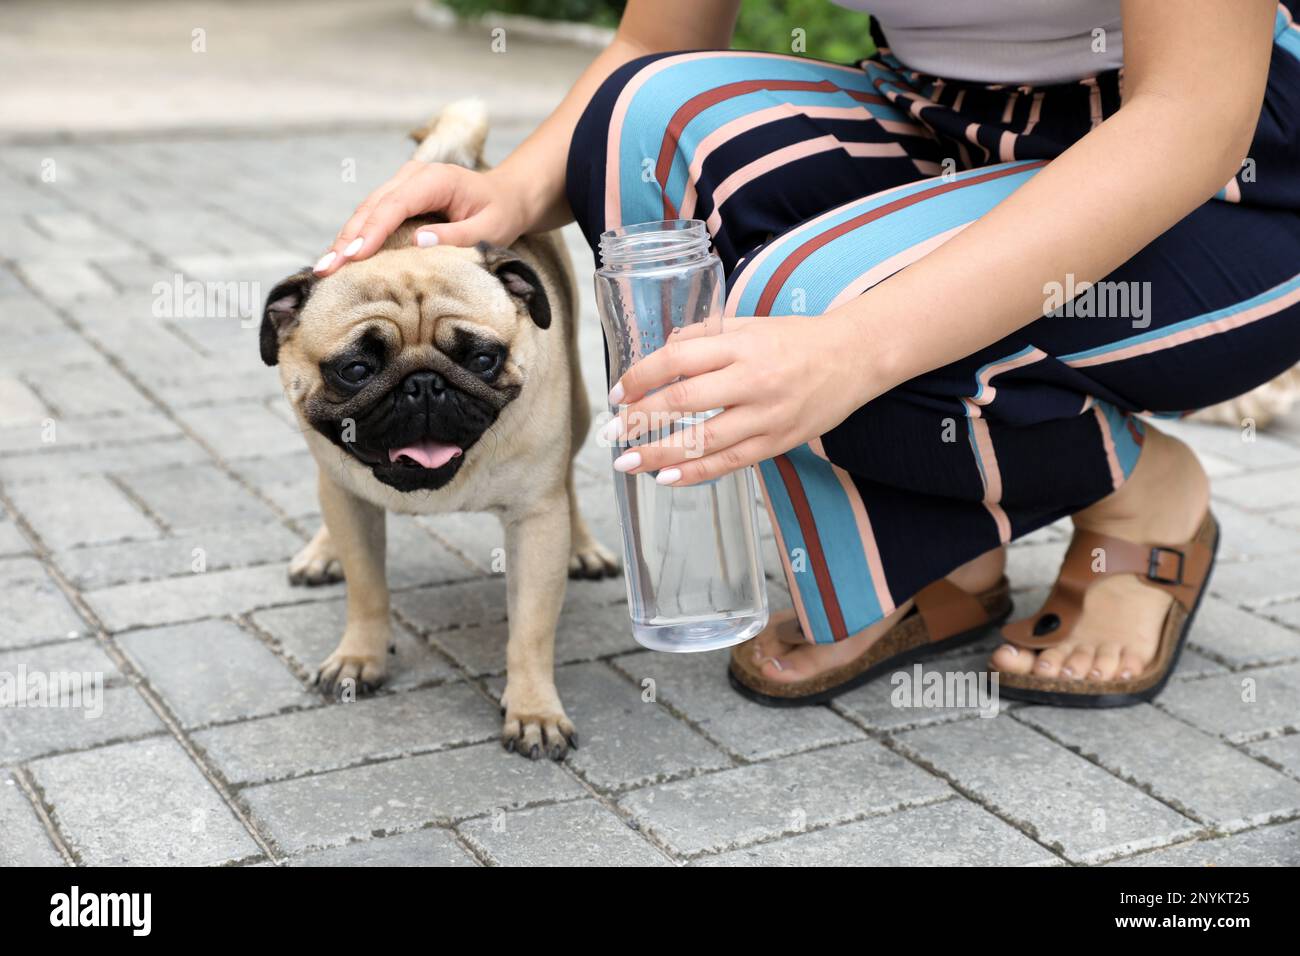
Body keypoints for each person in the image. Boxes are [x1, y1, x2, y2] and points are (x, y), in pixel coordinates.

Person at [316, 0, 1300, 708]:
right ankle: (898, 554)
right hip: (942, 116)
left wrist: (854, 346)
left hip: (1228, 168)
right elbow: (656, 40)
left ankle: (1134, 486)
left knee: (808, 303)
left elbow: (1190, 116)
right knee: (642, 127)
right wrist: (507, 194)